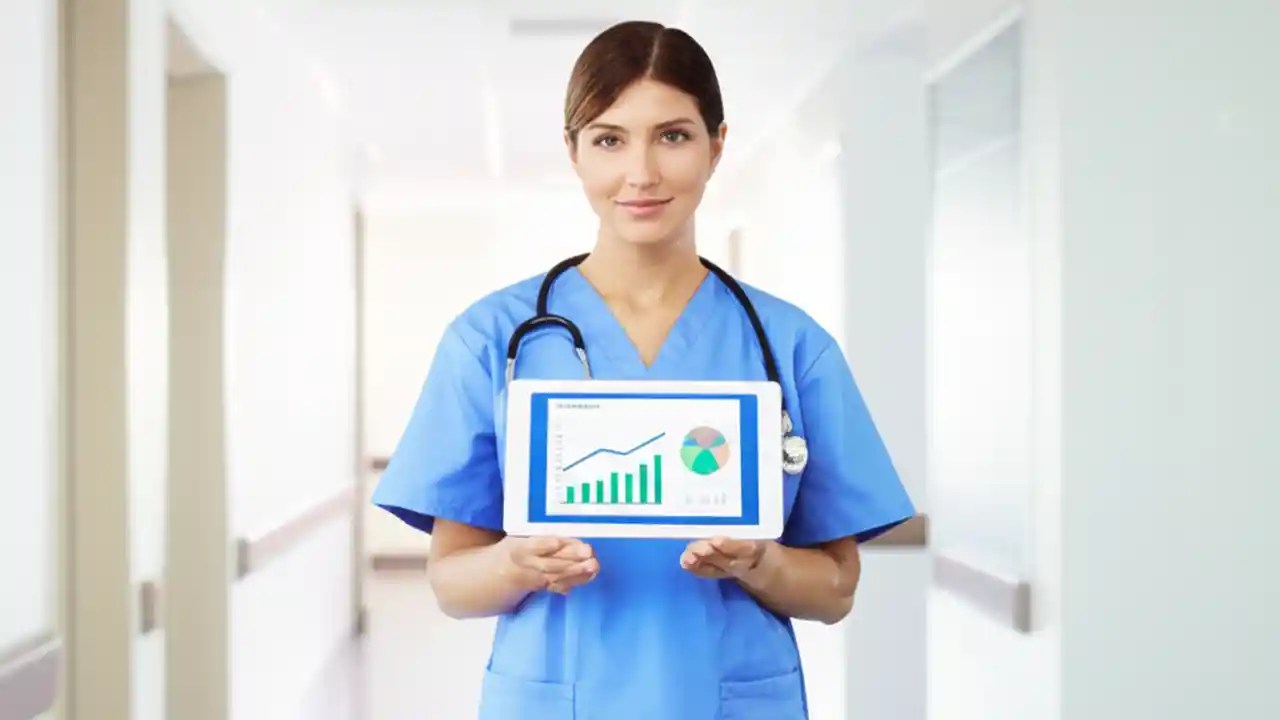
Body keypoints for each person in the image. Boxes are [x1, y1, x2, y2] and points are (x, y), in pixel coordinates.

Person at [371, 19, 916, 720]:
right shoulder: (490, 339)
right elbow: (451, 582)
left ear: (717, 146)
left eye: (673, 136)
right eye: (609, 140)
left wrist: (762, 562)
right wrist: (515, 564)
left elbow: (836, 589)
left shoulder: (790, 345)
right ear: (573, 151)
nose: (641, 173)